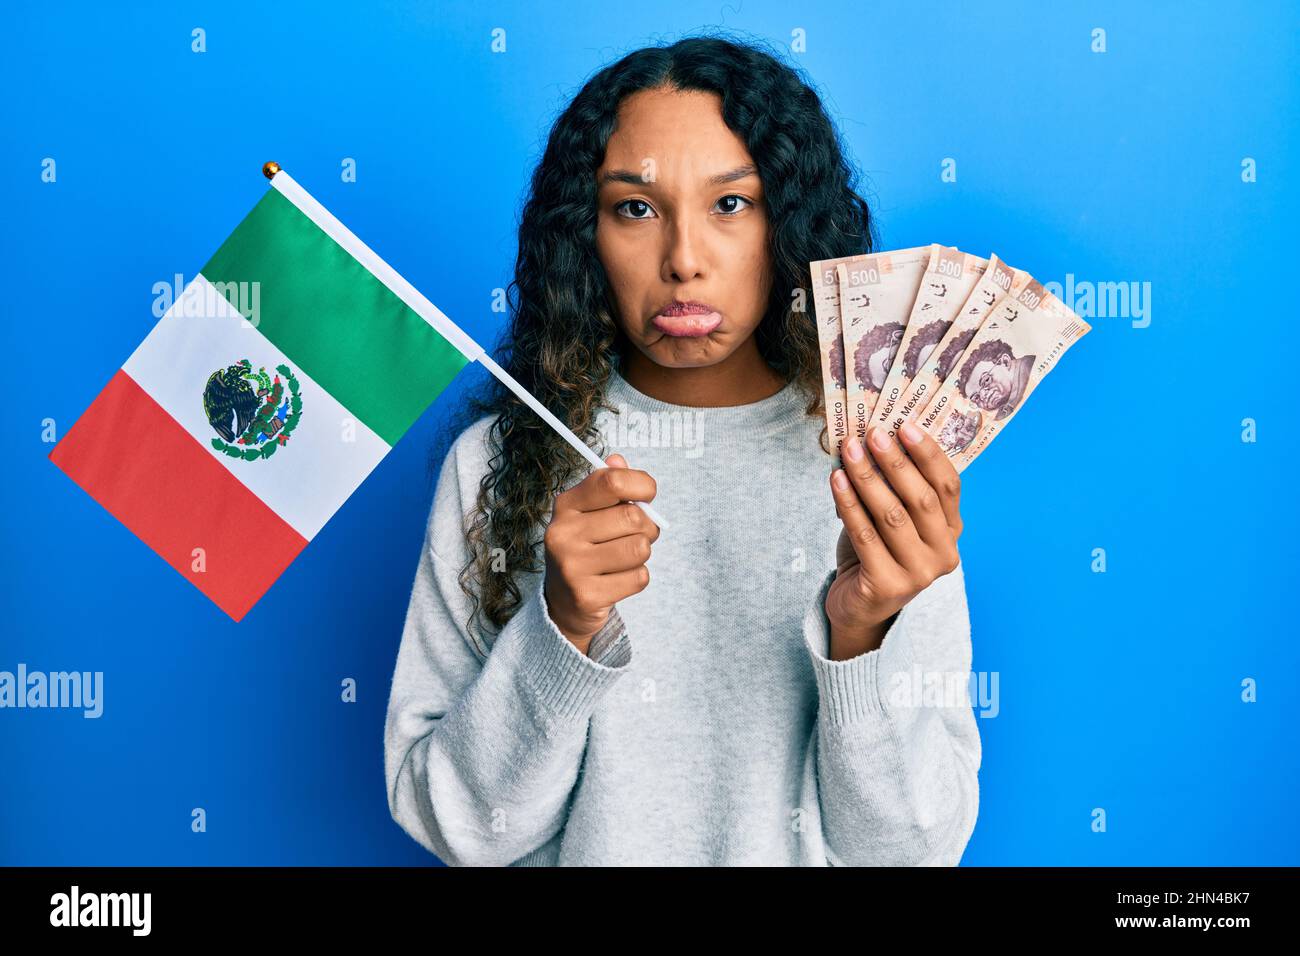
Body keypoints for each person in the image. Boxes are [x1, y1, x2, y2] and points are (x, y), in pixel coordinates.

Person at [383, 35, 980, 866]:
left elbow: (911, 850)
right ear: (583, 234)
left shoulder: (880, 465)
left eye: (730, 204)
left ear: (787, 224)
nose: (684, 261)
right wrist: (561, 627)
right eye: (635, 208)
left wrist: (862, 635)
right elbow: (456, 829)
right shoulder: (496, 463)